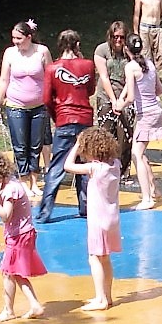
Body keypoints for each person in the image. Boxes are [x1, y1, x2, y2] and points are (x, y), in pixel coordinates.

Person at [0, 149, 47, 321]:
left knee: (8, 272)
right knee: (16, 272)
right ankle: (34, 305)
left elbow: (6, 216)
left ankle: (9, 310)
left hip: (19, 236)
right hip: (23, 233)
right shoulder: (12, 184)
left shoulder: (9, 191)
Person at [38, 29, 96, 222]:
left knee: (57, 167)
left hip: (64, 119)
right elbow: (90, 90)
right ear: (77, 45)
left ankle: (45, 212)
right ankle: (86, 207)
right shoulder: (88, 65)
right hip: (84, 119)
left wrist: (57, 116)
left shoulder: (52, 69)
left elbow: (46, 99)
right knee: (85, 164)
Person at [63, 126, 122, 311]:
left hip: (98, 220)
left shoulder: (94, 168)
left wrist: (76, 144)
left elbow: (68, 166)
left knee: (94, 258)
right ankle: (108, 296)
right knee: (106, 258)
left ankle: (100, 299)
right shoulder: (115, 165)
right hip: (113, 219)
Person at [116, 34, 162, 210]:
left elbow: (132, 96)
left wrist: (121, 104)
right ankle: (154, 189)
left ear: (126, 49)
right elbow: (160, 90)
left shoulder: (130, 67)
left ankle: (147, 198)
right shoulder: (149, 64)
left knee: (136, 154)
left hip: (146, 114)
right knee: (140, 152)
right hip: (157, 110)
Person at [0, 20, 51, 191]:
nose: (15, 41)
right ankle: (23, 181)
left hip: (39, 106)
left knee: (35, 145)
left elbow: (50, 77)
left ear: (29, 37)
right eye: (13, 38)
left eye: (19, 38)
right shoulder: (10, 53)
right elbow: (4, 79)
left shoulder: (42, 51)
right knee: (20, 146)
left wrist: (53, 100)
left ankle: (34, 181)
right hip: (15, 105)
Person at [92, 21, 135, 176]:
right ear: (110, 36)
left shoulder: (130, 51)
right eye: (115, 37)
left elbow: (134, 75)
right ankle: (104, 168)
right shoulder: (102, 50)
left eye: (122, 37)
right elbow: (104, 76)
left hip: (125, 96)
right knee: (106, 134)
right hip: (105, 95)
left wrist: (121, 100)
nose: (118, 40)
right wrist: (113, 99)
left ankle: (123, 171)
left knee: (125, 136)